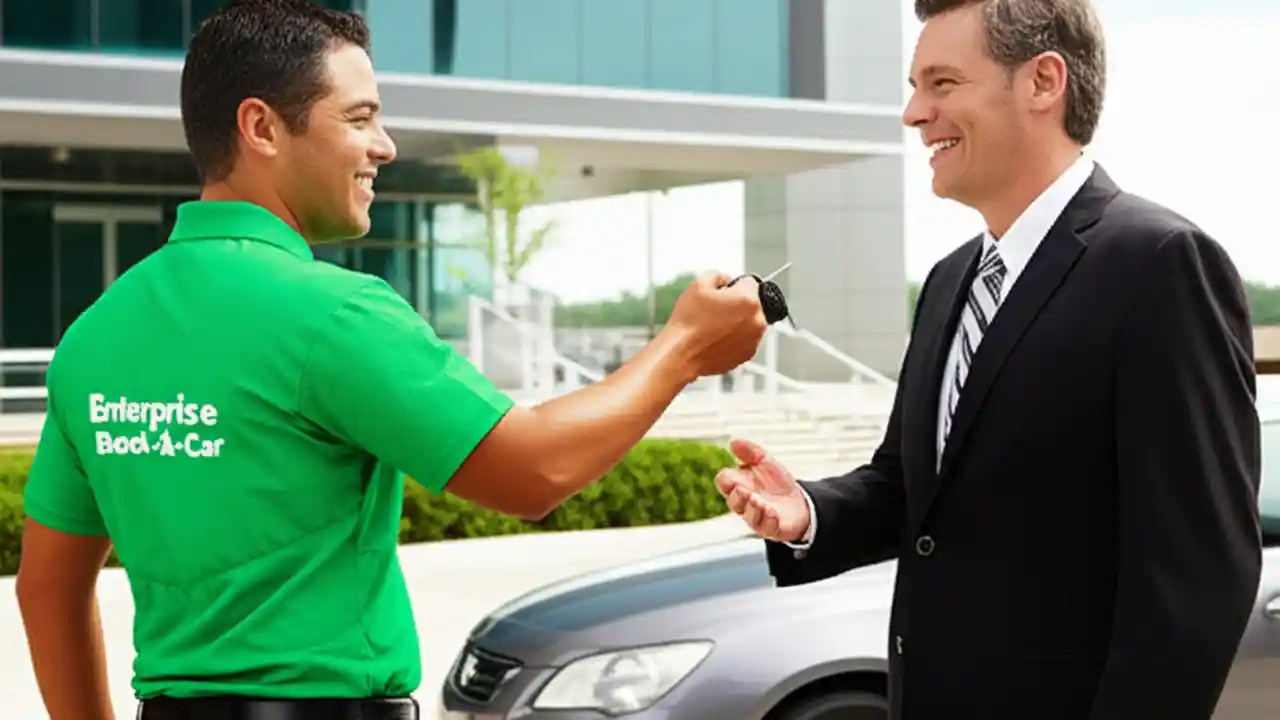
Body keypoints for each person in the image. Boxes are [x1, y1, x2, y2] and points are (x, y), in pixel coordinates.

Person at [14, 2, 769, 719]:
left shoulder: (95, 335)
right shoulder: (333, 313)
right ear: (261, 127)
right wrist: (684, 348)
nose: (386, 146)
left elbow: (46, 587)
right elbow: (533, 471)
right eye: (360, 118)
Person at [715, 1, 1261, 719]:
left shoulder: (1159, 265)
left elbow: (1197, 578)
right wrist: (809, 512)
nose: (915, 113)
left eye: (942, 83)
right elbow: (913, 490)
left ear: (1042, 81)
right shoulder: (948, 281)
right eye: (914, 86)